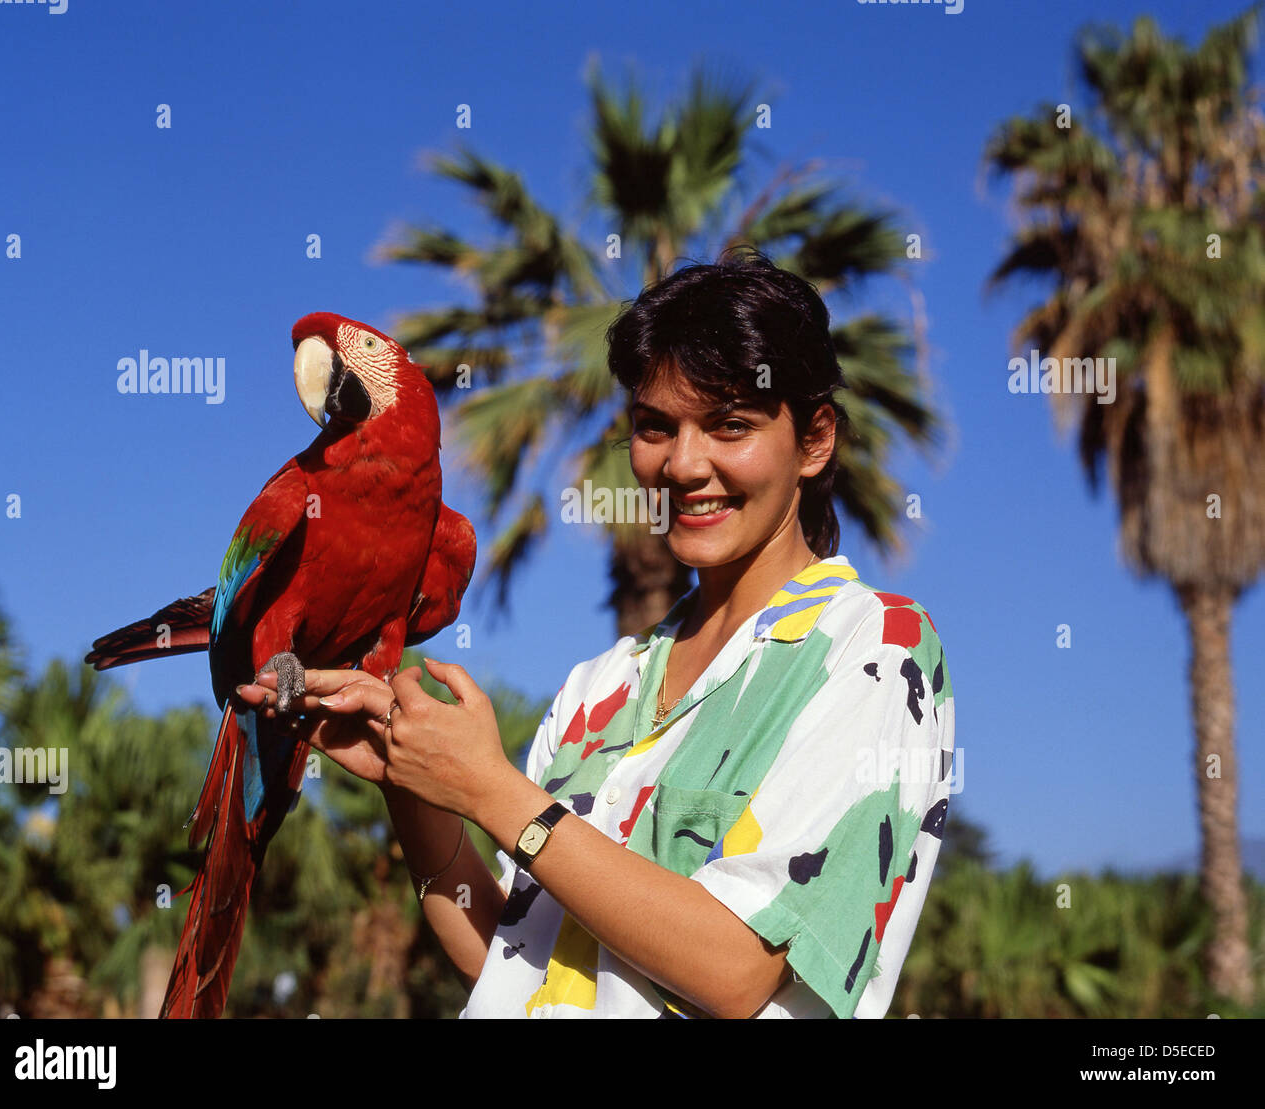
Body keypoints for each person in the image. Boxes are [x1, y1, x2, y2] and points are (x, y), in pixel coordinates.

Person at [237, 247, 954, 1018]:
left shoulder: (874, 648)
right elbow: (509, 960)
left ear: (814, 440)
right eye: (655, 426)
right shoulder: (598, 688)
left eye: (731, 425)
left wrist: (491, 788)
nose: (683, 464)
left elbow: (737, 968)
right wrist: (416, 787)